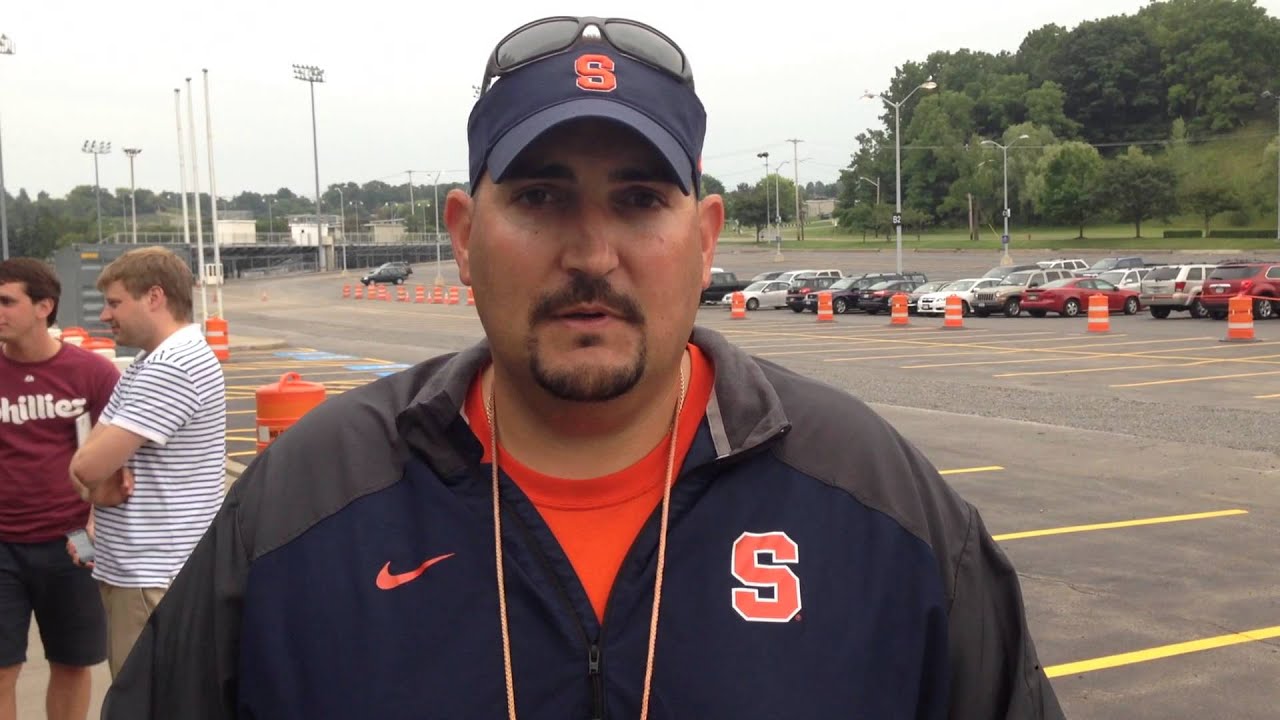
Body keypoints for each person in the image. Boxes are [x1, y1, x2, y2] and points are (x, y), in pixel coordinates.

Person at [103, 16, 1064, 720]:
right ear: (466, 235)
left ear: (704, 238)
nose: (593, 253)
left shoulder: (875, 502)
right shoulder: (308, 503)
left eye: (642, 199)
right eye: (541, 197)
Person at [68, 246, 226, 679]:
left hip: (153, 571)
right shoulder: (147, 364)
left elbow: (85, 465)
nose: (104, 315)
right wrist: (95, 483)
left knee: (146, 700)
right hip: (144, 568)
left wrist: (91, 477)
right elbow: (91, 468)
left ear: (154, 297)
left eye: (115, 302)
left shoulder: (172, 368)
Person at [0, 258, 120, 720]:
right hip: (2, 544)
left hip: (71, 543)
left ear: (43, 306)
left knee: (72, 664)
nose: (0, 311)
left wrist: (96, 521)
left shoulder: (91, 373)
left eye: (7, 301)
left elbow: (122, 455)